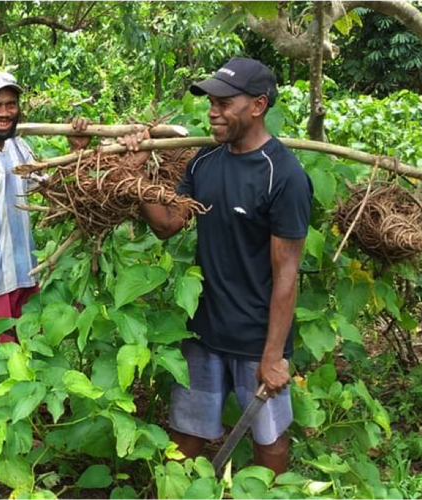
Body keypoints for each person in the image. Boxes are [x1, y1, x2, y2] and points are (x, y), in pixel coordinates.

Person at [122, 58, 312, 474]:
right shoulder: (204, 161)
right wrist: (137, 176)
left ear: (258, 106)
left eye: (224, 103)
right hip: (203, 330)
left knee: (269, 439)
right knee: (187, 432)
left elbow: (286, 276)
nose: (213, 112)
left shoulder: (283, 176)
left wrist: (273, 356)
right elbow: (167, 225)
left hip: (256, 337)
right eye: (211, 103)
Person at [0, 70, 89, 344]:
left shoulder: (18, 147)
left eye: (11, 104)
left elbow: (53, 191)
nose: (4, 113)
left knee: (29, 353)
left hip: (25, 277)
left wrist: (76, 152)